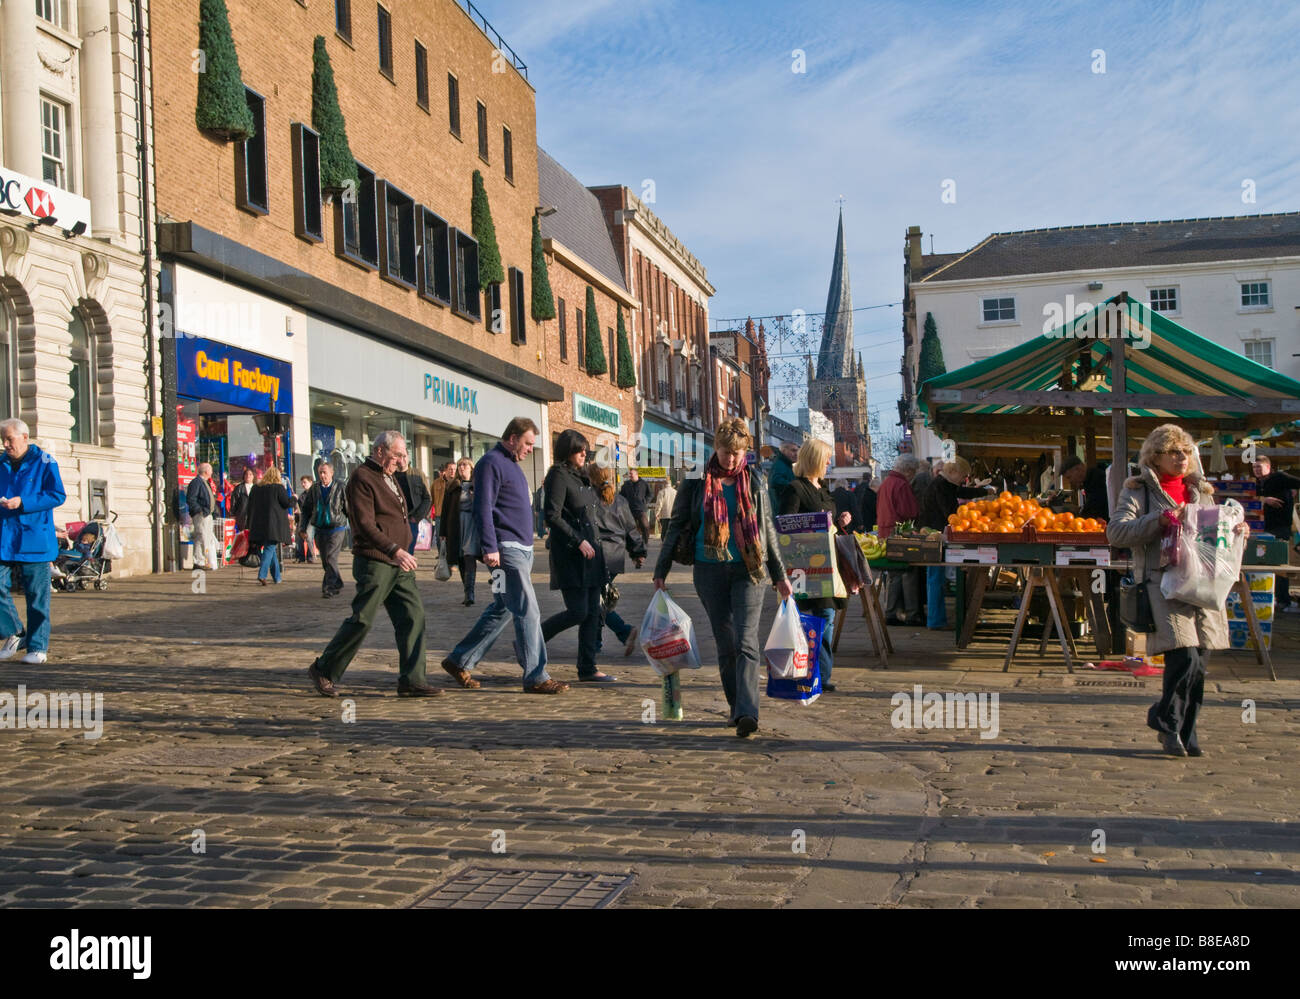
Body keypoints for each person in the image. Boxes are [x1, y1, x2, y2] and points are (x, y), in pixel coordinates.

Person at [1108, 424, 1246, 758]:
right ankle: (1167, 722)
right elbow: (1117, 533)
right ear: (1155, 458)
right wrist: (1160, 520)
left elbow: (1215, 534)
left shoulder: (1202, 490)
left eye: (1185, 451)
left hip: (1203, 583)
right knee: (1183, 654)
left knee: (1200, 661)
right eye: (1173, 452)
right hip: (1163, 582)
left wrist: (1236, 530)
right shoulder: (1138, 491)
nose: (1182, 458)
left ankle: (1185, 728)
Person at [655, 418, 792, 738]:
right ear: (714, 448)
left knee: (745, 641)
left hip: (749, 569)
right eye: (725, 451)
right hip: (709, 569)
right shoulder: (696, 480)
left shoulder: (756, 479)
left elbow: (767, 528)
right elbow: (676, 525)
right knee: (725, 643)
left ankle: (747, 711)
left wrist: (780, 575)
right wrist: (660, 571)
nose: (731, 458)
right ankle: (735, 707)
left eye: (737, 452)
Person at [307, 431, 442, 698]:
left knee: (412, 616)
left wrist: (401, 549)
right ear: (380, 450)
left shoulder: (388, 476)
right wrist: (394, 549)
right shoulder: (362, 478)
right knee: (363, 619)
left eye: (404, 455)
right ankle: (324, 668)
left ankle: (412, 679)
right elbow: (365, 524)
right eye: (397, 455)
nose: (401, 461)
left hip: (398, 563)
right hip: (376, 561)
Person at [441, 417, 566, 694]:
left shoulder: (510, 464)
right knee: (528, 609)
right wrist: (489, 547)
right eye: (527, 443)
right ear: (512, 437)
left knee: (504, 607)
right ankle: (536, 676)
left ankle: (459, 660)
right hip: (505, 552)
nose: (530, 449)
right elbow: (482, 507)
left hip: (518, 550)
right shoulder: (490, 463)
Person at [541, 430, 616, 682]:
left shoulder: (582, 477)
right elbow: (552, 515)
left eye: (585, 449)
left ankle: (588, 667)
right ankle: (531, 640)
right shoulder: (558, 476)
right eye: (579, 449)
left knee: (593, 613)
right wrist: (578, 540)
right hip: (572, 556)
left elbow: (588, 516)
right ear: (567, 451)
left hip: (592, 555)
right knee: (578, 611)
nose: (585, 453)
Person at [780, 439, 850, 691]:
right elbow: (785, 524)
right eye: (827, 458)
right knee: (807, 618)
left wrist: (841, 520)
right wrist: (813, 523)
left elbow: (829, 520)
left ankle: (822, 674)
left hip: (828, 565)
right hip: (804, 566)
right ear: (814, 459)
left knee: (827, 617)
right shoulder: (795, 488)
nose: (829, 462)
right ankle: (805, 670)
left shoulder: (823, 488)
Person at [0, 419, 65, 665]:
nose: (5, 444)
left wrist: (24, 502)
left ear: (24, 437)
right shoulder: (1, 463)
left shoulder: (45, 462)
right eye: (3, 440)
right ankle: (15, 633)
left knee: (36, 596)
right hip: (5, 535)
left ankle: (37, 646)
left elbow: (57, 494)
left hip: (34, 536)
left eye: (9, 439)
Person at [919, 457, 994, 629]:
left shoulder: (945, 484)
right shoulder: (940, 486)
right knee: (935, 578)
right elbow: (950, 512)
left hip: (936, 534)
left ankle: (937, 619)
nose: (965, 479)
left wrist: (984, 492)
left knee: (936, 578)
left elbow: (962, 492)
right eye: (963, 475)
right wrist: (971, 516)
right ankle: (936, 621)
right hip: (935, 537)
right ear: (952, 472)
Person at [586, 463, 646, 656]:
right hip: (614, 557)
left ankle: (620, 633)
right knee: (596, 600)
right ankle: (600, 641)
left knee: (594, 602)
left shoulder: (588, 499)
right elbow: (630, 528)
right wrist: (638, 553)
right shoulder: (619, 500)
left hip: (595, 555)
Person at [878, 455, 922, 626]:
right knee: (909, 573)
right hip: (900, 533)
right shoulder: (902, 484)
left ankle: (891, 612)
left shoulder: (886, 482)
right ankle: (912, 614)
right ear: (908, 470)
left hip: (885, 531)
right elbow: (910, 511)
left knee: (894, 574)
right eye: (913, 471)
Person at [1252, 456, 1300, 611]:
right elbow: (1248, 498)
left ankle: (1283, 600)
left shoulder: (1279, 477)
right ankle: (1265, 598)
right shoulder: (1258, 483)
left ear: (1268, 466)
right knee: (1262, 563)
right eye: (1254, 467)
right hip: (1262, 528)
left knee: (1280, 564)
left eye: (1259, 467)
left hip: (1280, 527)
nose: (1257, 470)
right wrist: (1264, 499)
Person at [298, 461, 348, 597]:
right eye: (320, 472)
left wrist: (356, 529)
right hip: (320, 528)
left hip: (337, 528)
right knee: (325, 560)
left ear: (331, 473)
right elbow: (306, 510)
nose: (322, 475)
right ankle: (337, 581)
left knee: (331, 557)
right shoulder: (314, 489)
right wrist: (302, 528)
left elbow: (349, 509)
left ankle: (329, 587)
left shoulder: (341, 487)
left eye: (325, 472)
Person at [438, 457, 478, 606]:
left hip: (472, 525)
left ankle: (470, 593)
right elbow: (445, 510)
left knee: (469, 556)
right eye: (460, 465)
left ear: (471, 468)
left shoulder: (477, 485)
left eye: (465, 465)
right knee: (460, 558)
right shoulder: (453, 486)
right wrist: (443, 532)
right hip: (455, 525)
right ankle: (466, 590)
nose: (461, 468)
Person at [248, 465, 293, 585]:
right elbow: (286, 503)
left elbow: (250, 505)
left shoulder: (256, 488)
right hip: (274, 525)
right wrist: (294, 499)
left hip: (259, 525)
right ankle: (262, 574)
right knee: (269, 548)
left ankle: (277, 578)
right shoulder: (278, 488)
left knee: (271, 551)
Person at [186, 462, 221, 571]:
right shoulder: (196, 482)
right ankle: (198, 561)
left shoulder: (204, 482)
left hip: (207, 514)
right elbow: (191, 498)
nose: (212, 472)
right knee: (201, 537)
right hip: (201, 515)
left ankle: (203, 560)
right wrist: (199, 511)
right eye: (210, 470)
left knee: (206, 538)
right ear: (206, 471)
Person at [1060, 455, 1111, 521]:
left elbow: (1094, 507)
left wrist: (1078, 516)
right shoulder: (1088, 480)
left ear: (1078, 468)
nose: (1070, 481)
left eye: (1069, 477)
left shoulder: (1097, 479)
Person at [397, 464, 432, 555]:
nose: (402, 459)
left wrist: (417, 517)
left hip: (411, 519)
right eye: (399, 456)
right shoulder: (390, 474)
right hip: (395, 519)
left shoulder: (417, 474)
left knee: (408, 551)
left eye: (404, 456)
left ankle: (406, 569)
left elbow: (427, 498)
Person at [619, 467, 652, 549]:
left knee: (645, 526)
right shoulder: (626, 484)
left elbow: (650, 494)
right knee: (630, 528)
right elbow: (621, 496)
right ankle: (632, 543)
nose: (630, 475)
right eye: (629, 474)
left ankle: (645, 542)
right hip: (629, 510)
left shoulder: (644, 483)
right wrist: (624, 504)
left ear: (637, 474)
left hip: (641, 509)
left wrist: (645, 502)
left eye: (631, 474)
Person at [768, 441, 798, 514]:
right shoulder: (780, 464)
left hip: (782, 509)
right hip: (781, 510)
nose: (796, 454)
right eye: (793, 450)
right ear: (784, 451)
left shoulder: (785, 464)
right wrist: (796, 486)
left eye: (797, 451)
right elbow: (775, 481)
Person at [293, 475, 317, 563]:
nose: (303, 484)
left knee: (309, 535)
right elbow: (299, 509)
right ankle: (301, 556)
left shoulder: (315, 493)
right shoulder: (302, 496)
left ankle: (311, 556)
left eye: (305, 482)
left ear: (310, 482)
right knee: (299, 535)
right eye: (302, 483)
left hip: (312, 518)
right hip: (303, 518)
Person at [431, 461, 455, 540]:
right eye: (450, 469)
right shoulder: (436, 483)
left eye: (454, 469)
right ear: (445, 470)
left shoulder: (458, 482)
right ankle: (440, 553)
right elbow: (430, 499)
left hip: (454, 516)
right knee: (439, 539)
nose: (453, 471)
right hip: (440, 516)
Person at [230, 467, 256, 532]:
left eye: (250, 474)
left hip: (254, 516)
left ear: (253, 476)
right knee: (243, 535)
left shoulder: (257, 488)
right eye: (246, 474)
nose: (248, 476)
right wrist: (233, 515)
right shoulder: (239, 488)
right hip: (242, 516)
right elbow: (234, 502)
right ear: (243, 476)